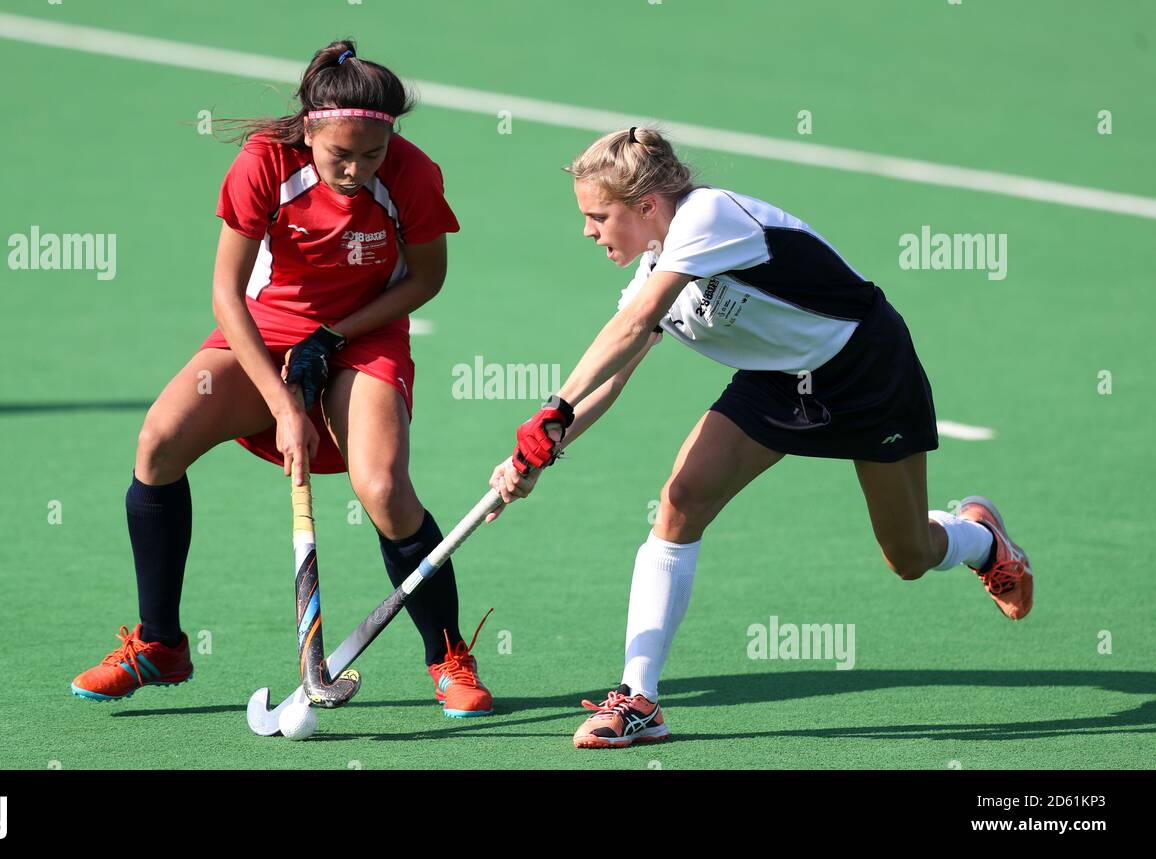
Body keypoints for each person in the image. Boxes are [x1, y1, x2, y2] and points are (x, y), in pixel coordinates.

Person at [490, 127, 1032, 748]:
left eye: (598, 215)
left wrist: (551, 408)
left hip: (867, 369)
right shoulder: (652, 271)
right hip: (777, 383)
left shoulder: (710, 216)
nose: (589, 231)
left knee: (908, 556)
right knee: (681, 500)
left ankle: (979, 541)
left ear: (645, 206)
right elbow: (609, 382)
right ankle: (640, 699)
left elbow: (635, 323)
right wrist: (535, 452)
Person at [71, 40, 494, 718]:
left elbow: (427, 277)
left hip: (366, 331)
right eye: (340, 156)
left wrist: (334, 336)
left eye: (372, 155)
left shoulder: (412, 175)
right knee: (158, 442)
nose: (356, 170)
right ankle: (160, 644)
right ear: (309, 130)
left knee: (383, 488)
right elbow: (226, 294)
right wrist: (283, 404)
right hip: (265, 327)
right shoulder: (265, 161)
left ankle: (447, 656)